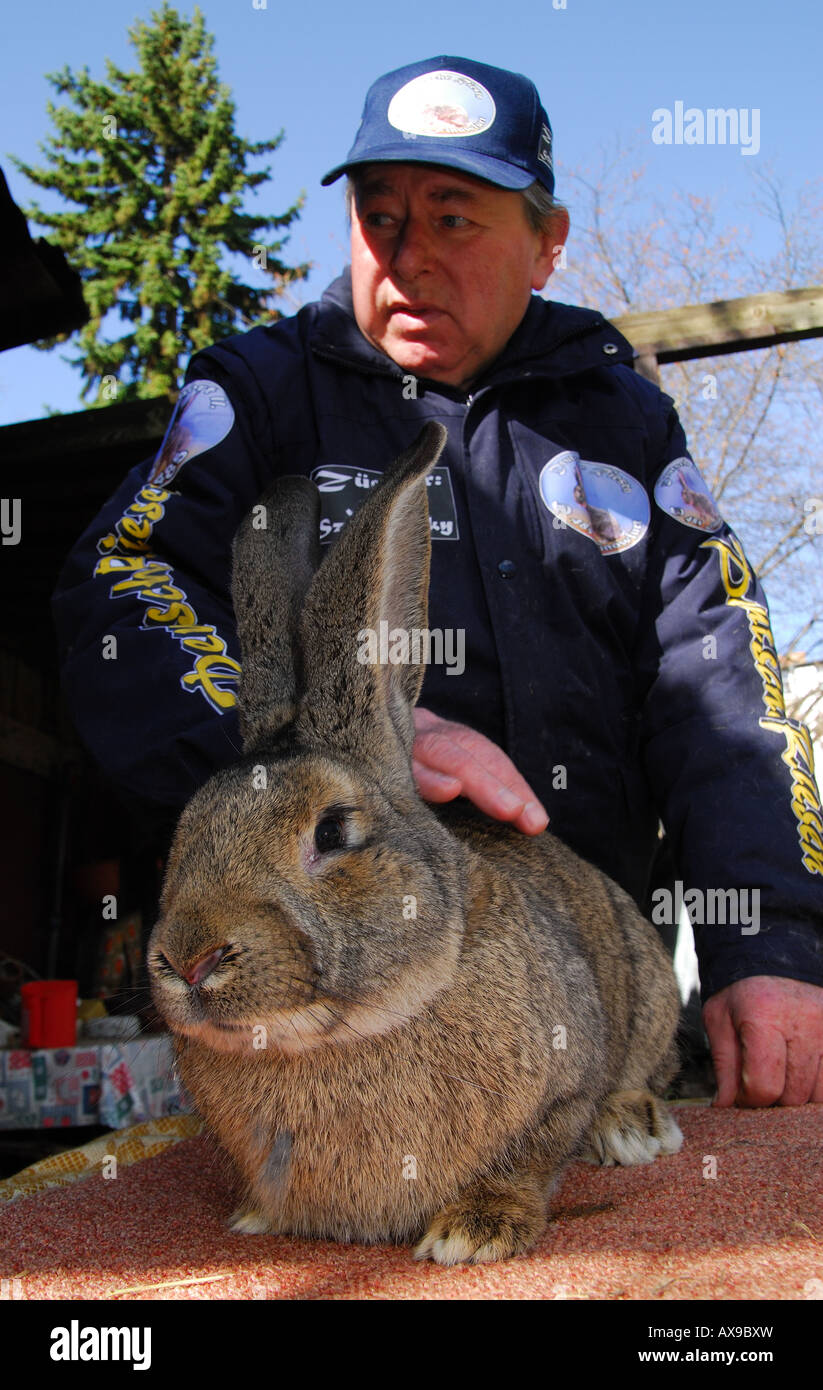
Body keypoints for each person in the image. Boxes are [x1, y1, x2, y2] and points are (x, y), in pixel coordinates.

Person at [52, 55, 823, 1107]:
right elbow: (118, 583)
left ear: (546, 245)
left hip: (585, 1028)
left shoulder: (624, 422)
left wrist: (766, 941)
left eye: (454, 220)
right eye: (379, 219)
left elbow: (720, 687)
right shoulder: (255, 395)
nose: (406, 259)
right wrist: (326, 752)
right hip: (308, 1035)